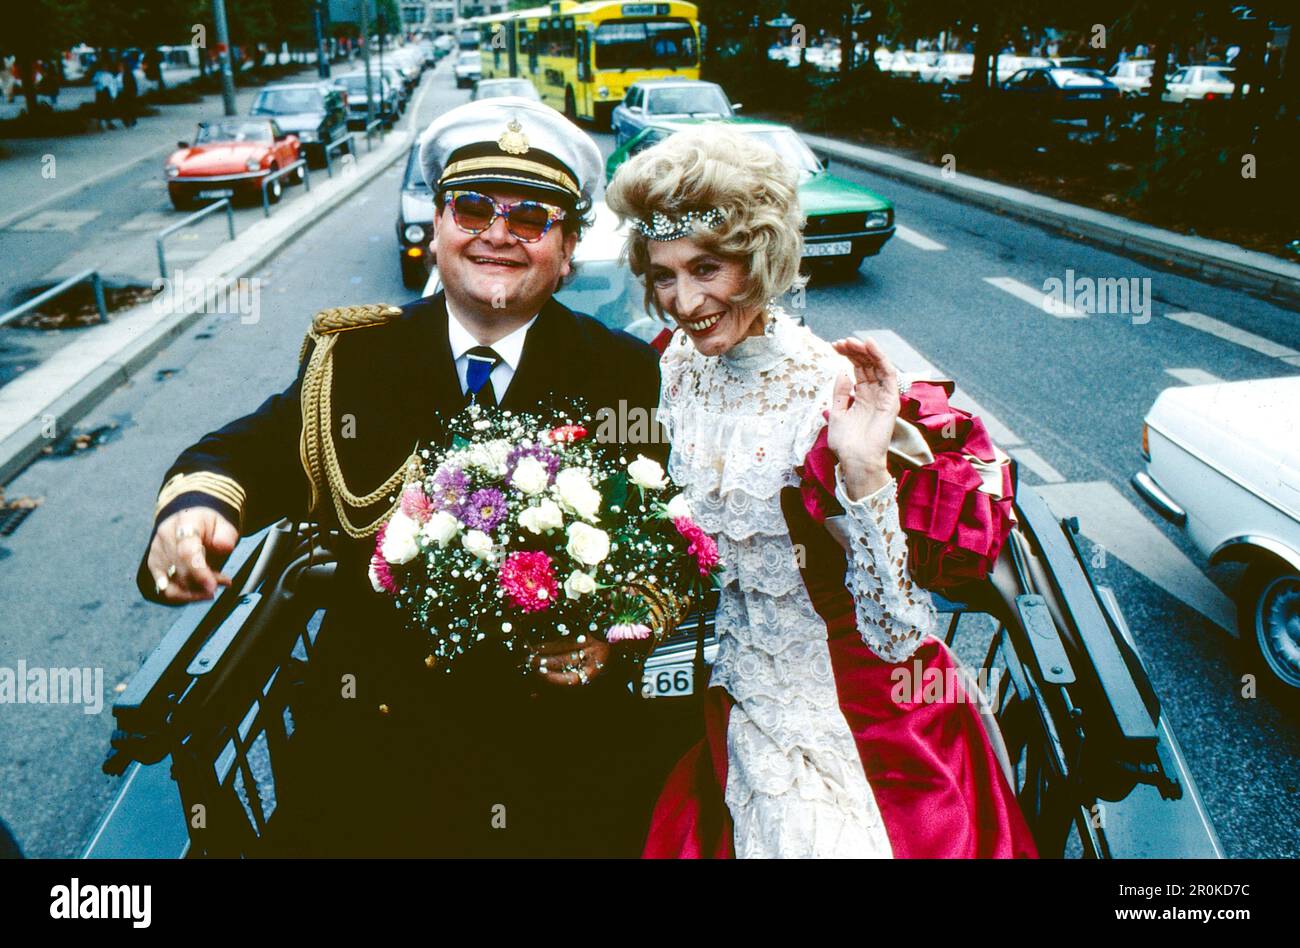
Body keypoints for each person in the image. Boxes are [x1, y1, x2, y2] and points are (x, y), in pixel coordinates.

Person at [133, 97, 692, 856]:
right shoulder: (354, 358)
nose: (497, 234)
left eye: (531, 217)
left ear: (567, 249)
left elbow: (657, 544)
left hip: (556, 753)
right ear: (437, 227)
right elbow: (248, 453)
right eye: (471, 207)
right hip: (378, 745)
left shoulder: (622, 372)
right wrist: (194, 512)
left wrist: (608, 638)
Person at [605, 128, 1038, 858]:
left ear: (760, 259)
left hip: (862, 705)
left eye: (707, 268)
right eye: (664, 275)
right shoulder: (668, 366)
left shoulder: (827, 387)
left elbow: (898, 631)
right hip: (737, 695)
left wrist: (865, 474)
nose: (684, 300)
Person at [90, 57, 118, 130]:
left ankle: (109, 122)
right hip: (100, 92)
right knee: (100, 108)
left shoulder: (110, 75)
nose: (104, 68)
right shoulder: (98, 74)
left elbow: (112, 86)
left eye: (105, 67)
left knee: (107, 108)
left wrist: (113, 95)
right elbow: (93, 81)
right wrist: (97, 82)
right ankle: (100, 123)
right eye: (103, 67)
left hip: (106, 92)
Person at [116, 57, 138, 127]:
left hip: (128, 94)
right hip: (121, 94)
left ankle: (131, 120)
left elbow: (133, 85)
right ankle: (126, 121)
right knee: (123, 108)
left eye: (121, 66)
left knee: (129, 108)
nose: (119, 68)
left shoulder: (129, 75)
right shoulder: (118, 75)